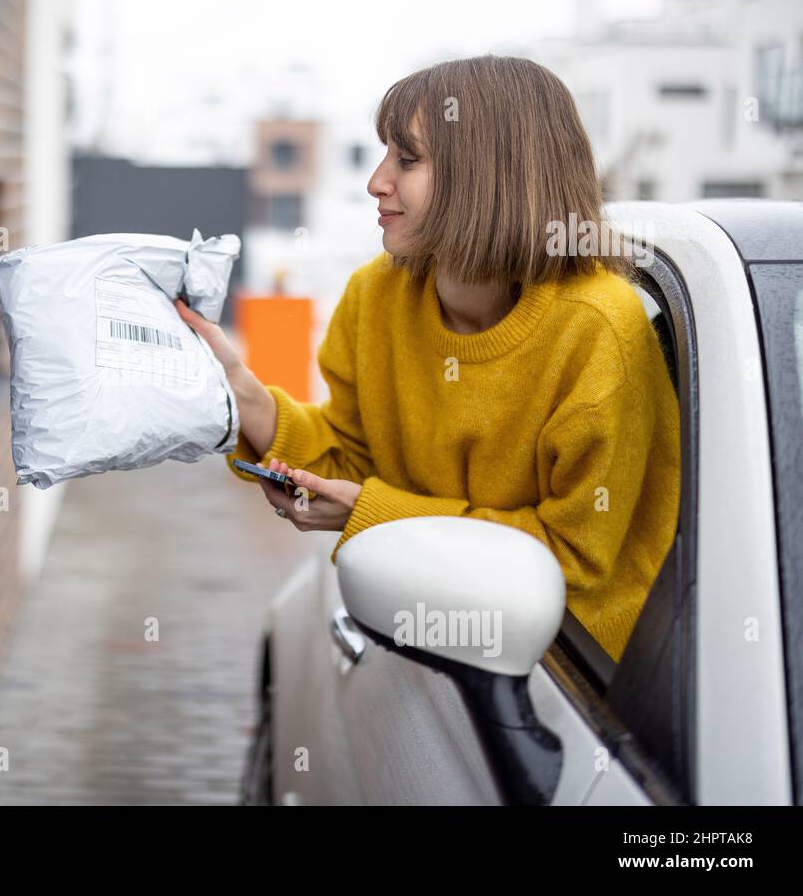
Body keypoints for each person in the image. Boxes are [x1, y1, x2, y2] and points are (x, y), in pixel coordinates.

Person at [175, 55, 680, 663]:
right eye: (385, 154)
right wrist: (241, 392)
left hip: (561, 685)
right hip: (429, 643)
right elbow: (353, 459)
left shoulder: (600, 331)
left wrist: (371, 513)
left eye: (407, 160)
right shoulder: (376, 295)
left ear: (488, 175)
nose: (377, 181)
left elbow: (572, 562)